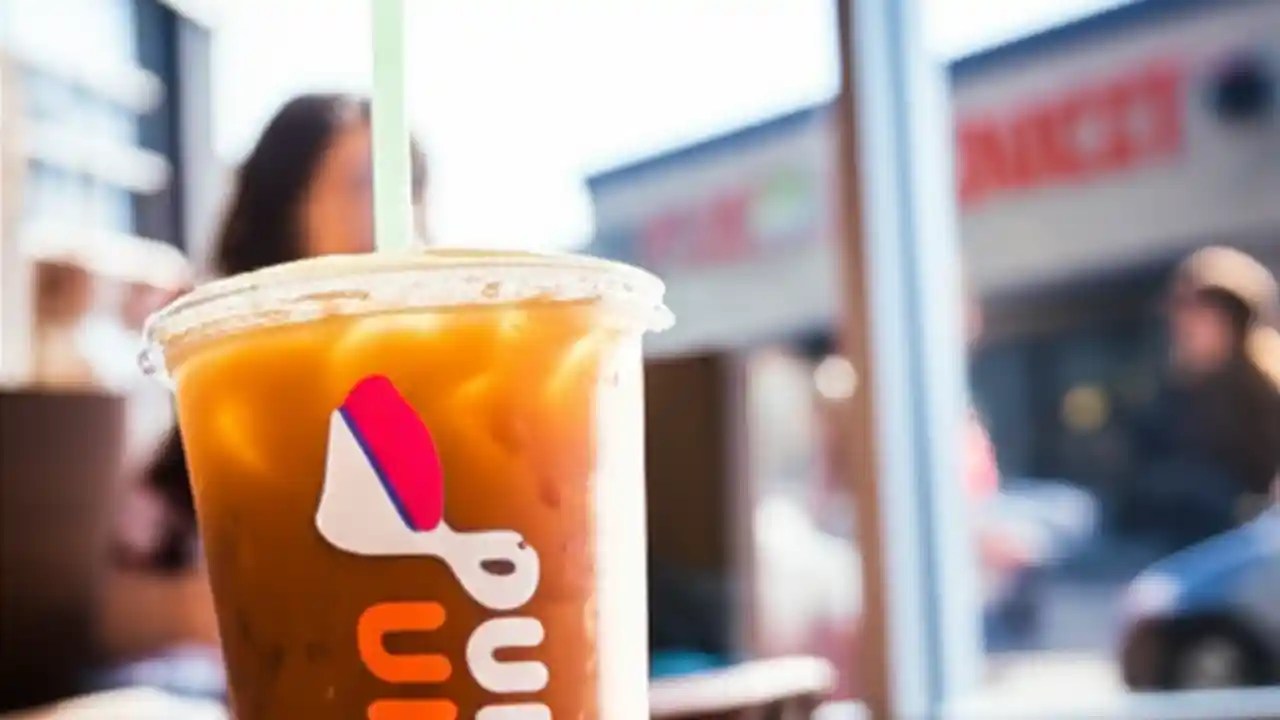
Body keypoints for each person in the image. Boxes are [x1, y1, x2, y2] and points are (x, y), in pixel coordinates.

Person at [120, 93, 428, 572]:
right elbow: (120, 590)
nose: (396, 210)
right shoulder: (218, 395)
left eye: (409, 185)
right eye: (362, 183)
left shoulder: (439, 384)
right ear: (285, 207)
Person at [1136, 246, 1280, 550]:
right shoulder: (1174, 394)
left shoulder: (1266, 382)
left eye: (1199, 311)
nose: (1185, 323)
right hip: (1190, 543)